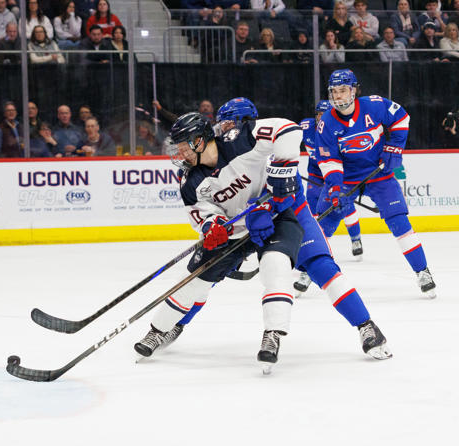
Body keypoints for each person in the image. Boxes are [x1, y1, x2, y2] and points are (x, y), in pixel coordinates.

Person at [140, 98, 392, 363]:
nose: (224, 129)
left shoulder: (259, 142)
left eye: (230, 123)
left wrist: (271, 202)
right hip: (243, 223)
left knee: (321, 266)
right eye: (221, 124)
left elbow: (286, 183)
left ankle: (366, 326)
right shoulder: (213, 163)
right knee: (205, 274)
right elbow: (205, 207)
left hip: (288, 214)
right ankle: (173, 325)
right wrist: (212, 225)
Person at [132, 110, 305, 373]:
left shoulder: (238, 140)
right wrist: (211, 227)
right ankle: (157, 332)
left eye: (183, 146)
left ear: (200, 141)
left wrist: (283, 173)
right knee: (194, 282)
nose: (181, 153)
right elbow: (201, 213)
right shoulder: (190, 180)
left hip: (273, 216)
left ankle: (273, 335)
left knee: (275, 265)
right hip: (234, 230)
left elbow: (288, 128)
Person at [316, 69, 436, 297]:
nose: (338, 96)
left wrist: (395, 147)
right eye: (334, 91)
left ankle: (422, 271)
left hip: (377, 173)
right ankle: (308, 270)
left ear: (353, 90)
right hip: (346, 177)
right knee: (325, 222)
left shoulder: (375, 105)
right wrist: (334, 188)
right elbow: (329, 160)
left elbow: (401, 118)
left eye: (343, 90)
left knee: (399, 220)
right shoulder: (326, 123)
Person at [299, 100, 363, 266]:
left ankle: (356, 238)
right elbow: (288, 141)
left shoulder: (339, 129)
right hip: (315, 173)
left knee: (344, 205)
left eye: (325, 114)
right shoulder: (306, 127)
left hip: (336, 173)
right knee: (312, 209)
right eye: (319, 114)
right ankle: (315, 246)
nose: (322, 117)